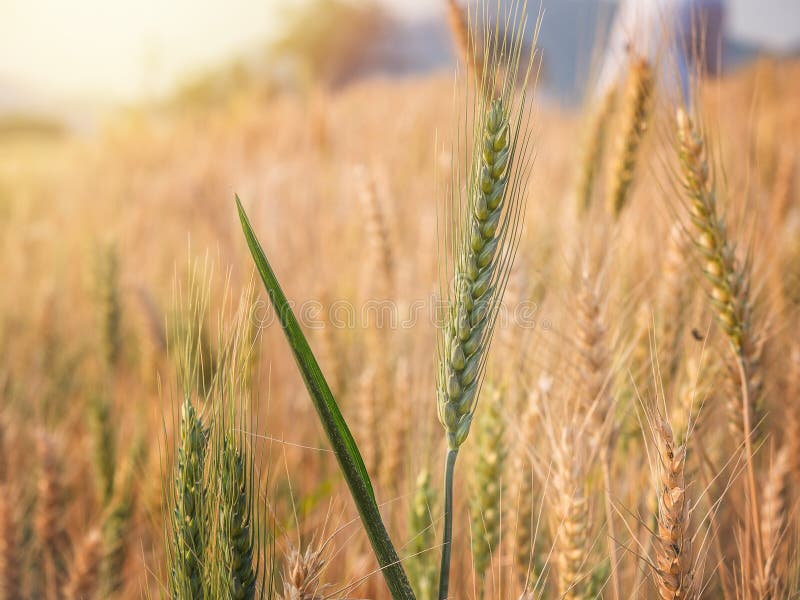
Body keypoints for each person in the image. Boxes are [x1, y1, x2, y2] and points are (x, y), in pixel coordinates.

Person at [594, 0, 726, 102]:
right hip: (673, 91)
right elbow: (712, 65)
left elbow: (619, 39)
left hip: (616, 78)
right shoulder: (713, 3)